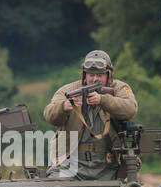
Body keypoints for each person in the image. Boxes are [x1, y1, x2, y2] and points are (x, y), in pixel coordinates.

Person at [42, 49, 137, 180]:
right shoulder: (69, 90)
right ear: (84, 75)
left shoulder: (119, 88)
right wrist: (63, 107)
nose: (94, 79)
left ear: (108, 75)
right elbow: (49, 114)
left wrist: (103, 100)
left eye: (100, 75)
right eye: (91, 75)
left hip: (107, 165)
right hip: (71, 163)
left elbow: (131, 108)